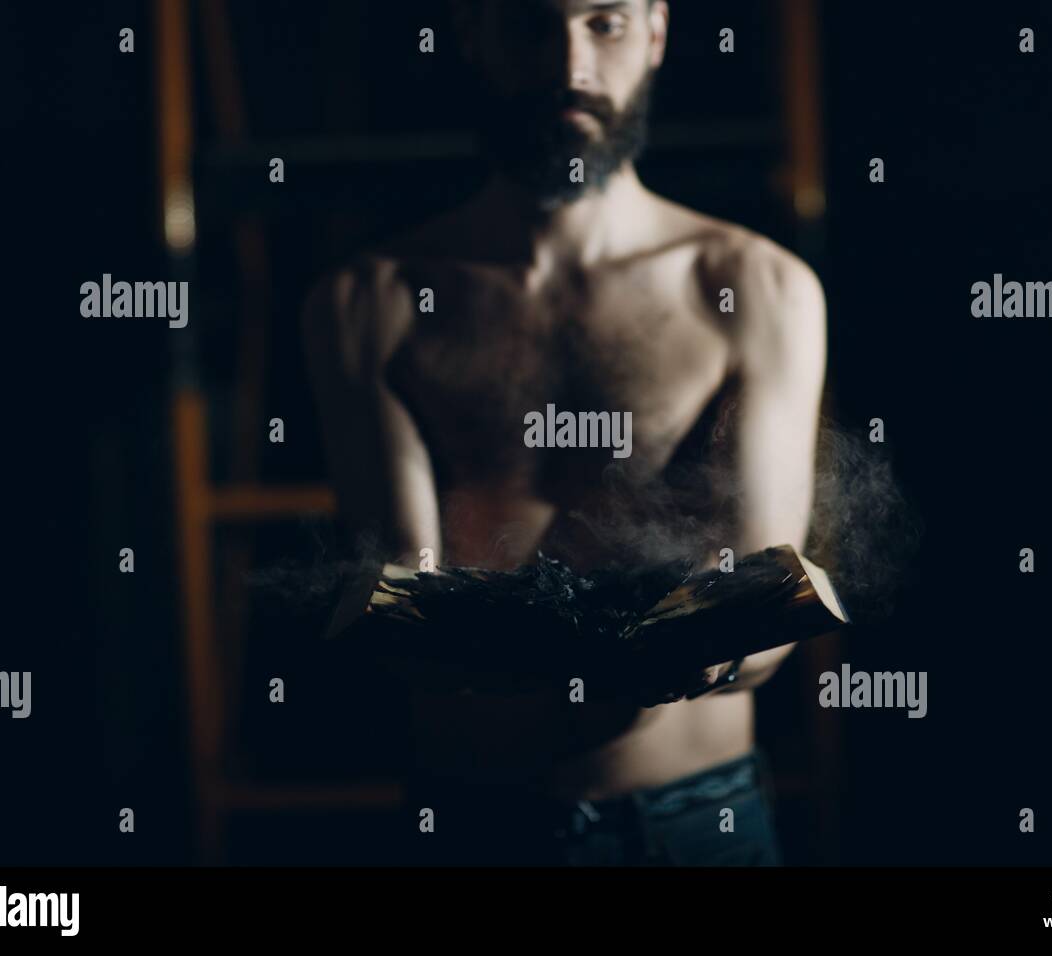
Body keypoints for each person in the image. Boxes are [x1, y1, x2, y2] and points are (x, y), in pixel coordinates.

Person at [301, 0, 826, 865]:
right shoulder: (372, 304)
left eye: (604, 22)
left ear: (656, 32)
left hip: (697, 822)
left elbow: (760, 597)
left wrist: (712, 640)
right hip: (475, 823)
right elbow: (399, 589)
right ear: (474, 36)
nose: (570, 65)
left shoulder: (756, 289)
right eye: (530, 25)